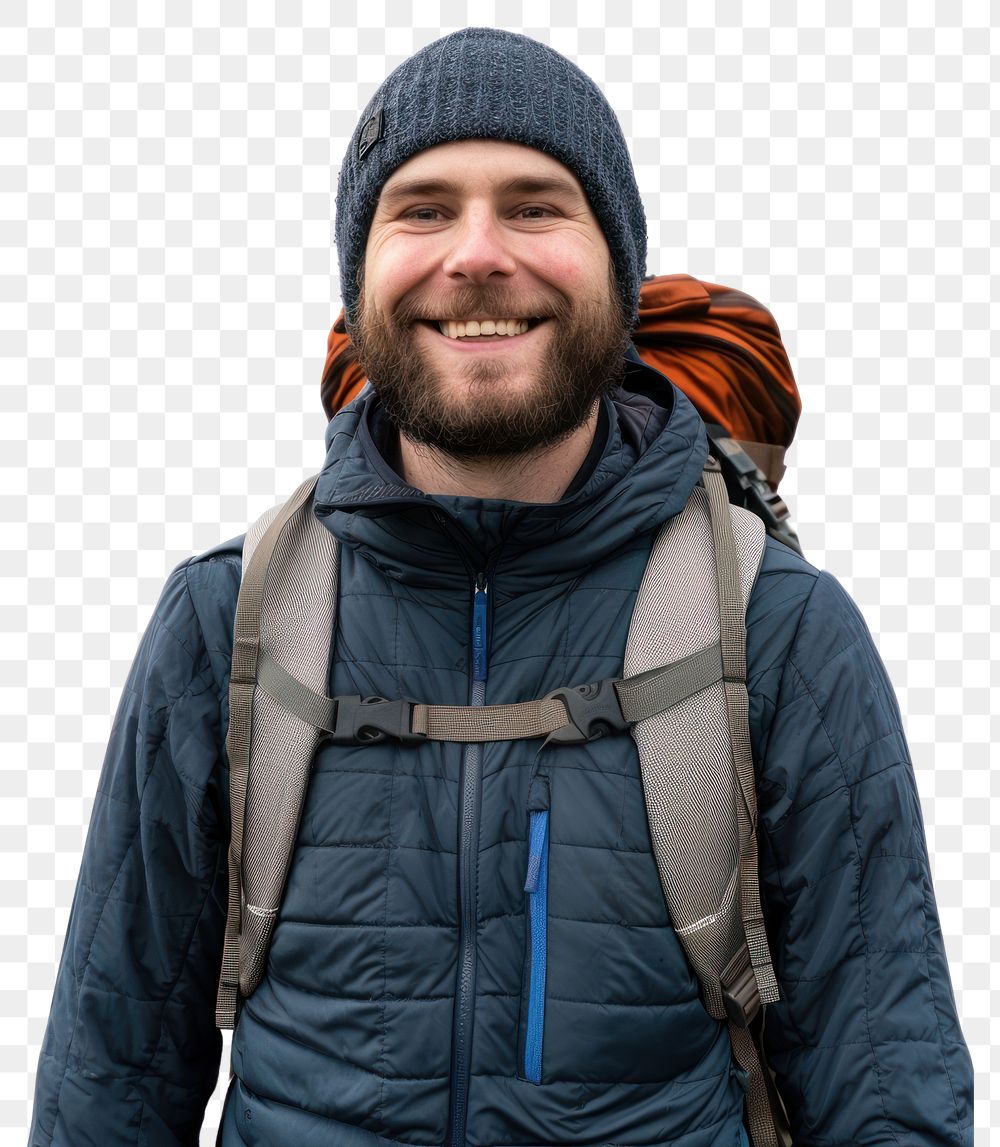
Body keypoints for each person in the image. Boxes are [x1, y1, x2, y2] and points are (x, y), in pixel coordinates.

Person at [29, 27, 972, 1147]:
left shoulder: (772, 625)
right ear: (360, 273)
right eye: (422, 208)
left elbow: (884, 1082)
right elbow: (111, 1076)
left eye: (534, 205)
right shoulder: (230, 622)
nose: (475, 253)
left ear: (616, 272)